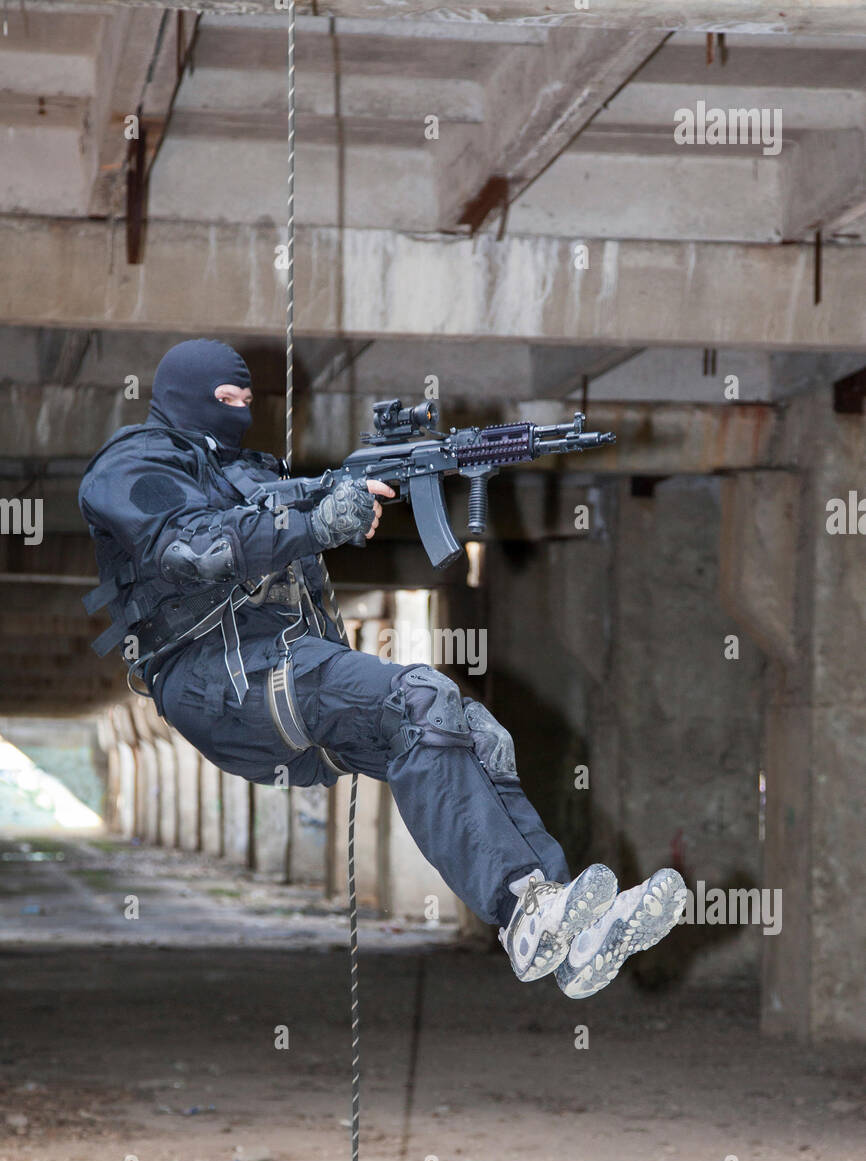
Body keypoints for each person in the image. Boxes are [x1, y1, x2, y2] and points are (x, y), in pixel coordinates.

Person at [79, 339, 685, 999]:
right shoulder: (133, 463)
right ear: (180, 396)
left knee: (471, 731)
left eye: (247, 400)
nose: (239, 410)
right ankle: (525, 913)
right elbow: (191, 551)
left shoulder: (247, 469)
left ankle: (560, 926)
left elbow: (276, 515)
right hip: (220, 682)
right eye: (225, 399)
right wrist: (313, 524)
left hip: (285, 683)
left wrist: (338, 500)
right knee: (419, 695)